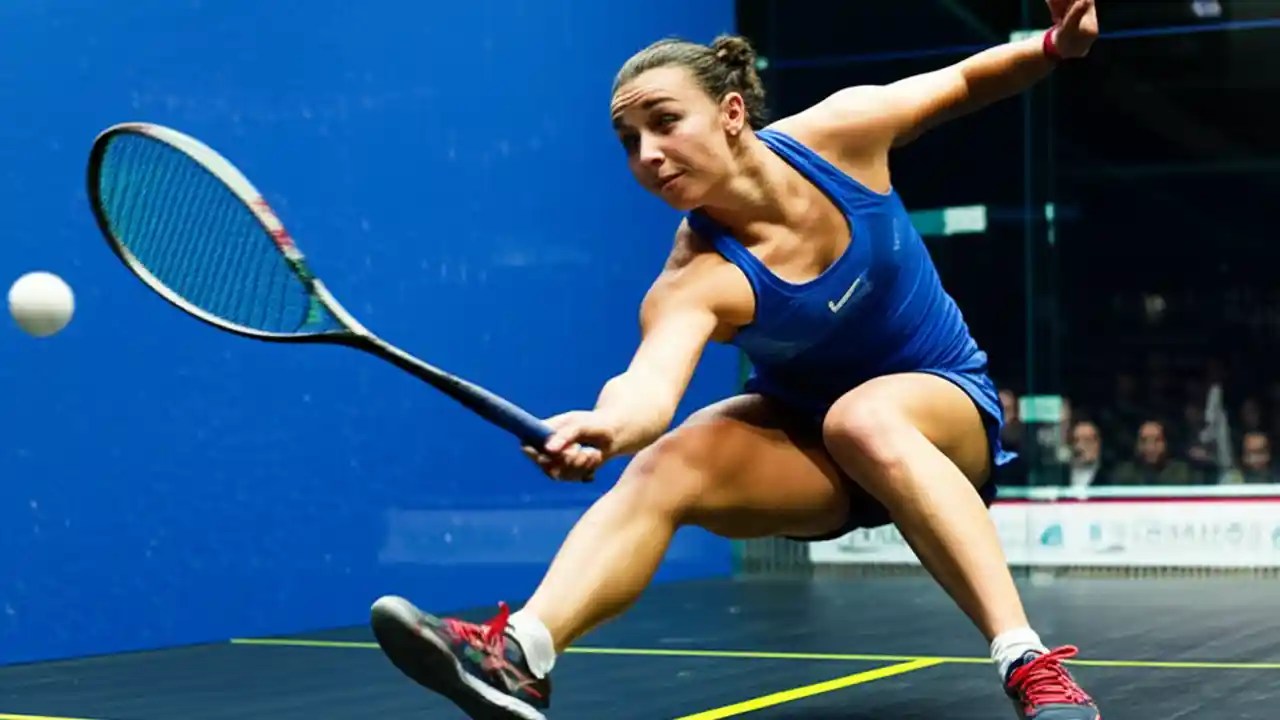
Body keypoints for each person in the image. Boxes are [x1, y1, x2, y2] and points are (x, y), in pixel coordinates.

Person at [370, 1, 1101, 718]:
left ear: (730, 112)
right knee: (667, 466)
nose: (647, 155)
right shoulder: (694, 282)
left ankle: (1028, 664)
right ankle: (521, 656)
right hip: (819, 455)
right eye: (628, 140)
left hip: (945, 415)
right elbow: (648, 389)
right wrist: (605, 428)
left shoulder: (840, 136)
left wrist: (1052, 48)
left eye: (664, 122)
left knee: (864, 416)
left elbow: (967, 82)